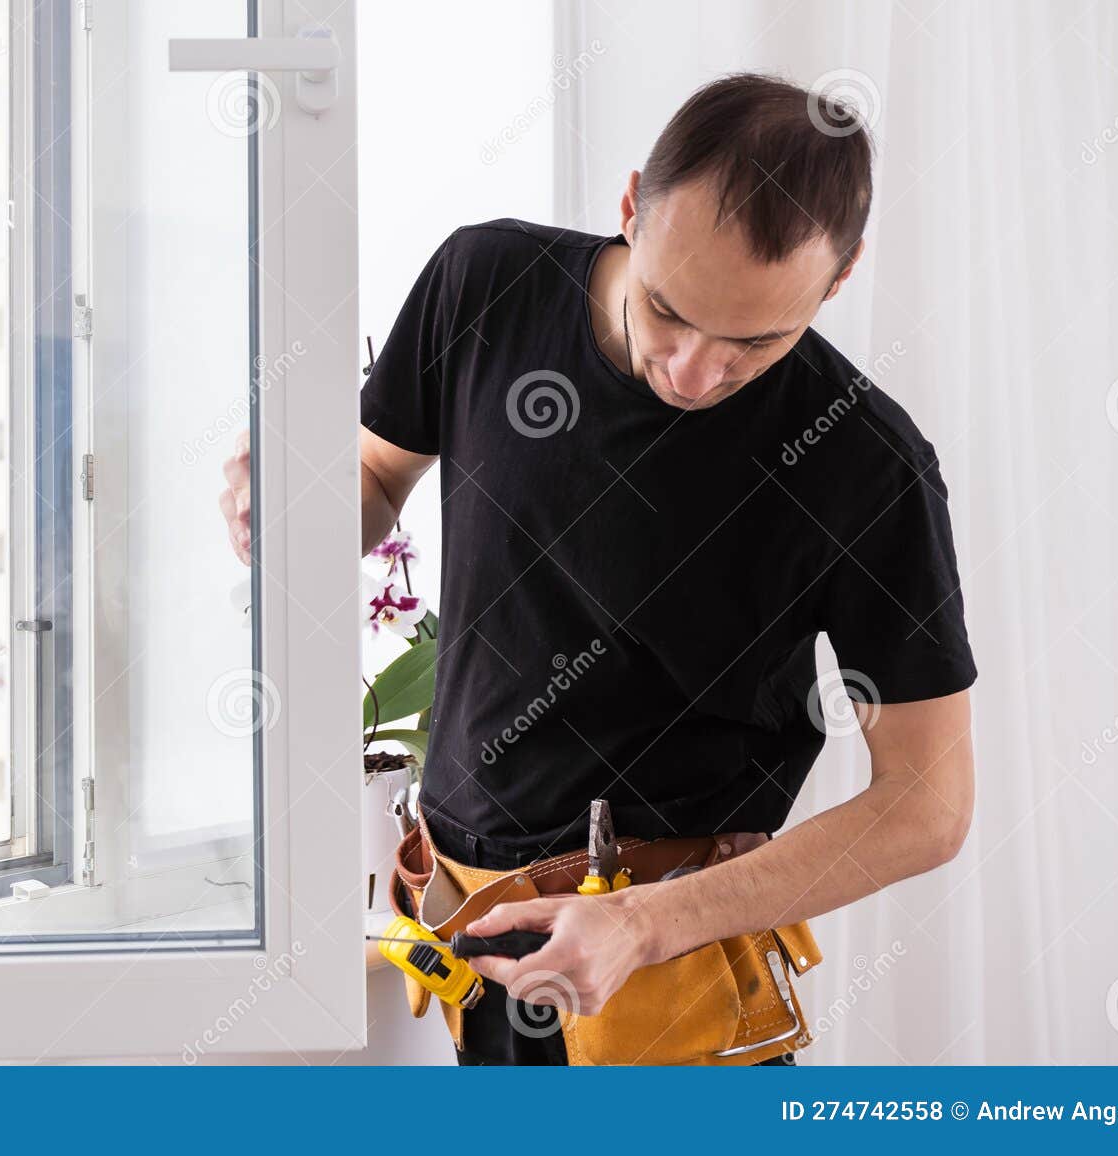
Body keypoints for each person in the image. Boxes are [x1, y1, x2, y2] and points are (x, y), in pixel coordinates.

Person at [218, 72, 976, 1065]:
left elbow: (927, 806)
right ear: (628, 208)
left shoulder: (863, 461)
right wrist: (286, 504)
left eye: (754, 341)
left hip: (670, 992)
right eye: (668, 311)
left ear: (838, 280)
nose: (693, 372)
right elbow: (372, 481)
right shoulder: (483, 283)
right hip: (467, 942)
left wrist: (651, 922)